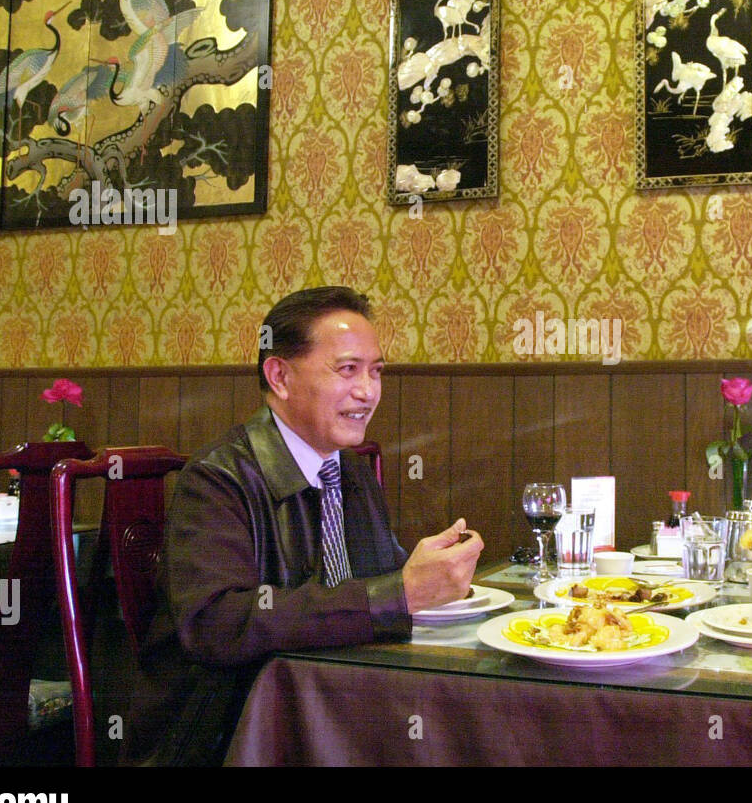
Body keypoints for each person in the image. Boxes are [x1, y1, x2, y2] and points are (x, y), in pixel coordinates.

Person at [124, 286, 483, 765]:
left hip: (332, 715)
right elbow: (214, 624)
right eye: (348, 369)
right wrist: (398, 592)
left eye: (376, 372)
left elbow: (374, 586)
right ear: (280, 375)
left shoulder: (348, 468)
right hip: (228, 735)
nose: (368, 391)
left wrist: (419, 571)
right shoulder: (218, 478)